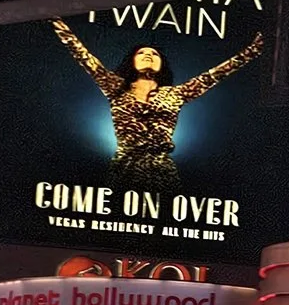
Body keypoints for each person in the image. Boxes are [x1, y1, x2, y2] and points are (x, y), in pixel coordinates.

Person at [50, 20, 265, 193]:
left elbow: (216, 74)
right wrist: (57, 21)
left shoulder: (175, 93)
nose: (148, 55)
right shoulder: (116, 87)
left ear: (161, 65)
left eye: (154, 54)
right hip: (125, 165)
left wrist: (252, 51)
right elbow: (83, 56)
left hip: (162, 168)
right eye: (141, 53)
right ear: (132, 62)